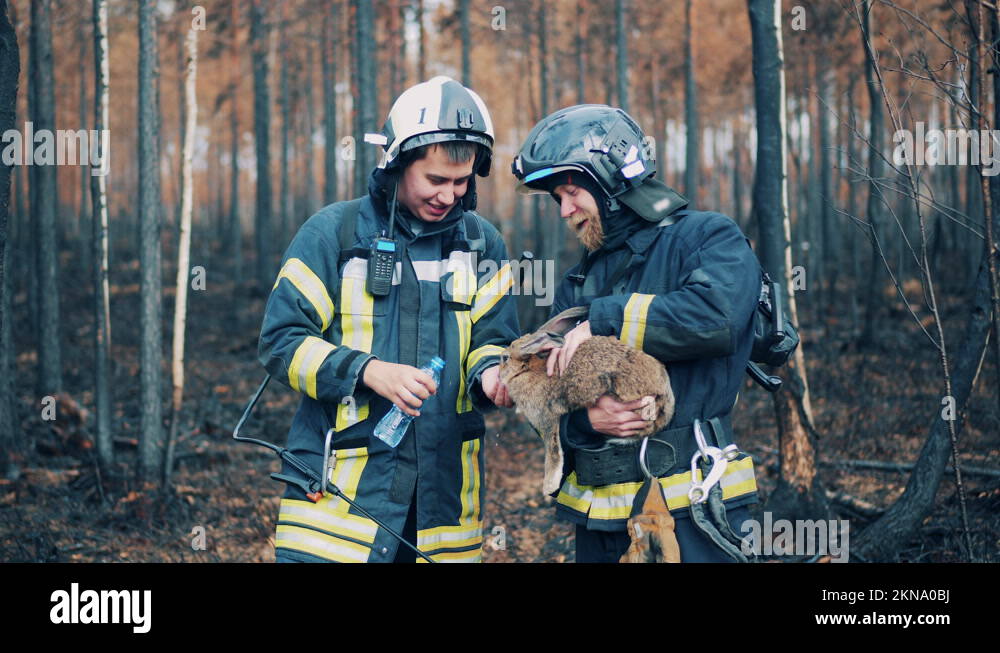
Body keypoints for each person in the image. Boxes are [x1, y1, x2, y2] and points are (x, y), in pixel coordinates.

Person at [258, 76, 518, 563]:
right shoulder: (333, 233)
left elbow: (494, 339)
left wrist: (493, 375)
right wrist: (368, 371)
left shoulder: (484, 246)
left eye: (462, 183)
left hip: (441, 510)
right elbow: (281, 342)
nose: (450, 196)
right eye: (436, 180)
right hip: (336, 509)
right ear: (395, 164)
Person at [511, 104, 761, 563]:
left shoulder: (707, 238)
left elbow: (717, 319)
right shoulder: (576, 283)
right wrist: (585, 424)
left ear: (611, 182)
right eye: (557, 199)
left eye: (571, 192)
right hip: (599, 525)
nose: (565, 210)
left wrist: (601, 322)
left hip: (698, 513)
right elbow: (547, 400)